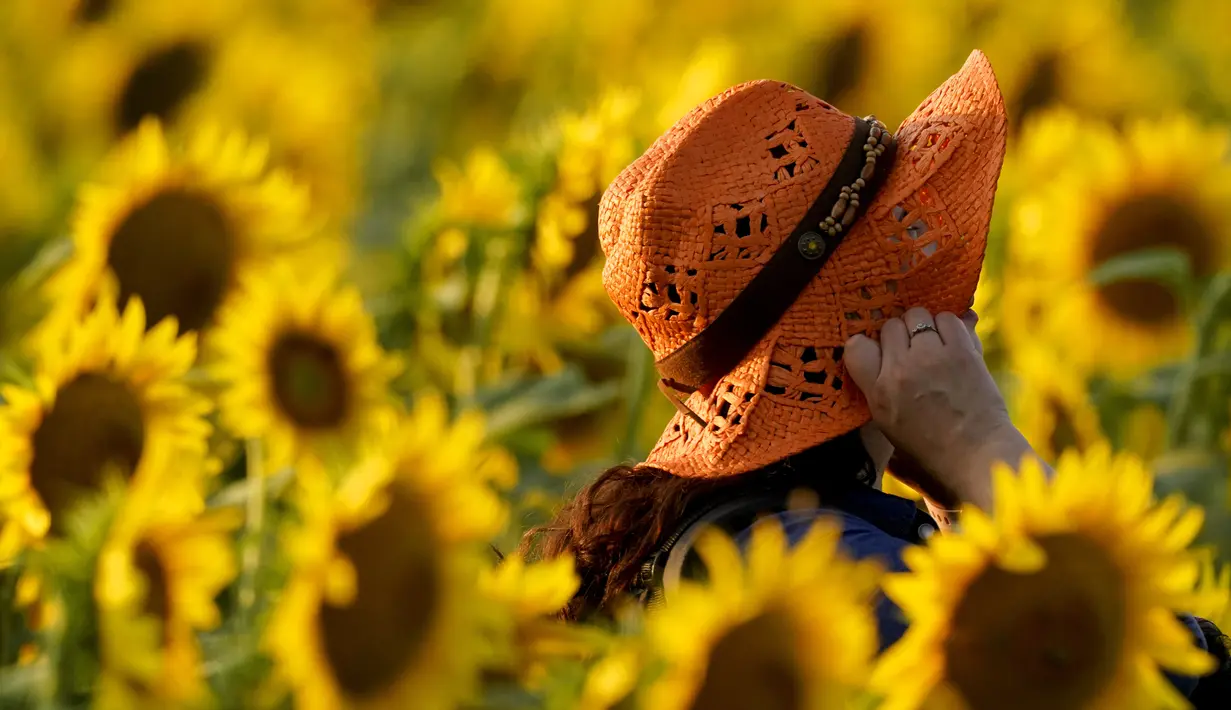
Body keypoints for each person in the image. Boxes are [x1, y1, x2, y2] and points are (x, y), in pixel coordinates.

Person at [521, 51, 1228, 700]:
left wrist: (962, 506)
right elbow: (1157, 686)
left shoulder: (725, 531)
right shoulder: (818, 564)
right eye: (918, 275)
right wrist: (986, 452)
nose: (965, 317)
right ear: (864, 335)